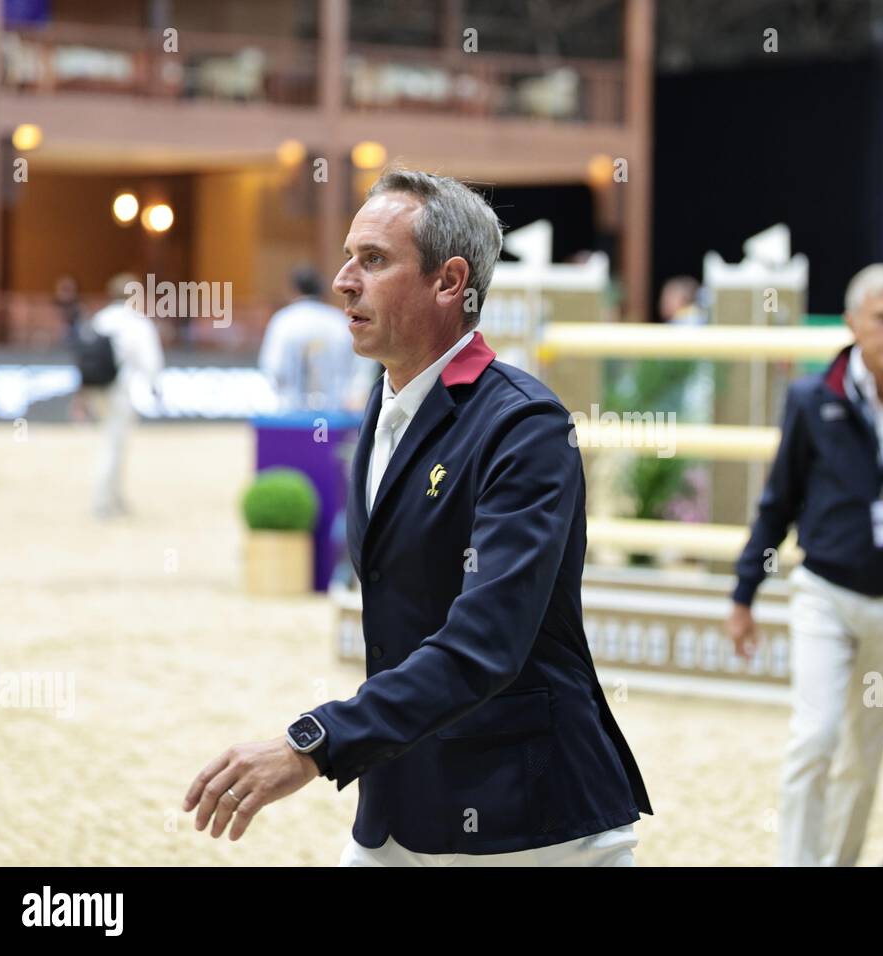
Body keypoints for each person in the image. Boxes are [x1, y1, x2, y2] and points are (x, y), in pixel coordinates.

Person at [183, 165, 652, 865]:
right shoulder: (384, 400)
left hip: (529, 820)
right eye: (349, 257)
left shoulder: (524, 427)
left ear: (448, 281)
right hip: (400, 805)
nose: (344, 280)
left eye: (373, 260)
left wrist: (313, 743)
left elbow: (484, 644)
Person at [726, 263, 883, 866]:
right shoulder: (812, 399)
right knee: (815, 738)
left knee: (865, 755)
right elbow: (777, 500)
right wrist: (743, 593)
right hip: (824, 594)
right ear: (852, 324)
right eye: (882, 319)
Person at [82, 273, 164, 519]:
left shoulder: (100, 319)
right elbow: (150, 361)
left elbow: (85, 356)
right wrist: (154, 386)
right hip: (119, 391)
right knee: (114, 445)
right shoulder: (137, 323)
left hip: (97, 390)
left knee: (111, 441)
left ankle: (114, 497)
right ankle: (103, 501)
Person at [257, 264, 373, 413]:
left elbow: (274, 367)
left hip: (291, 414)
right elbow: (360, 364)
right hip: (336, 413)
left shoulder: (283, 321)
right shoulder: (338, 321)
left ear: (293, 290)